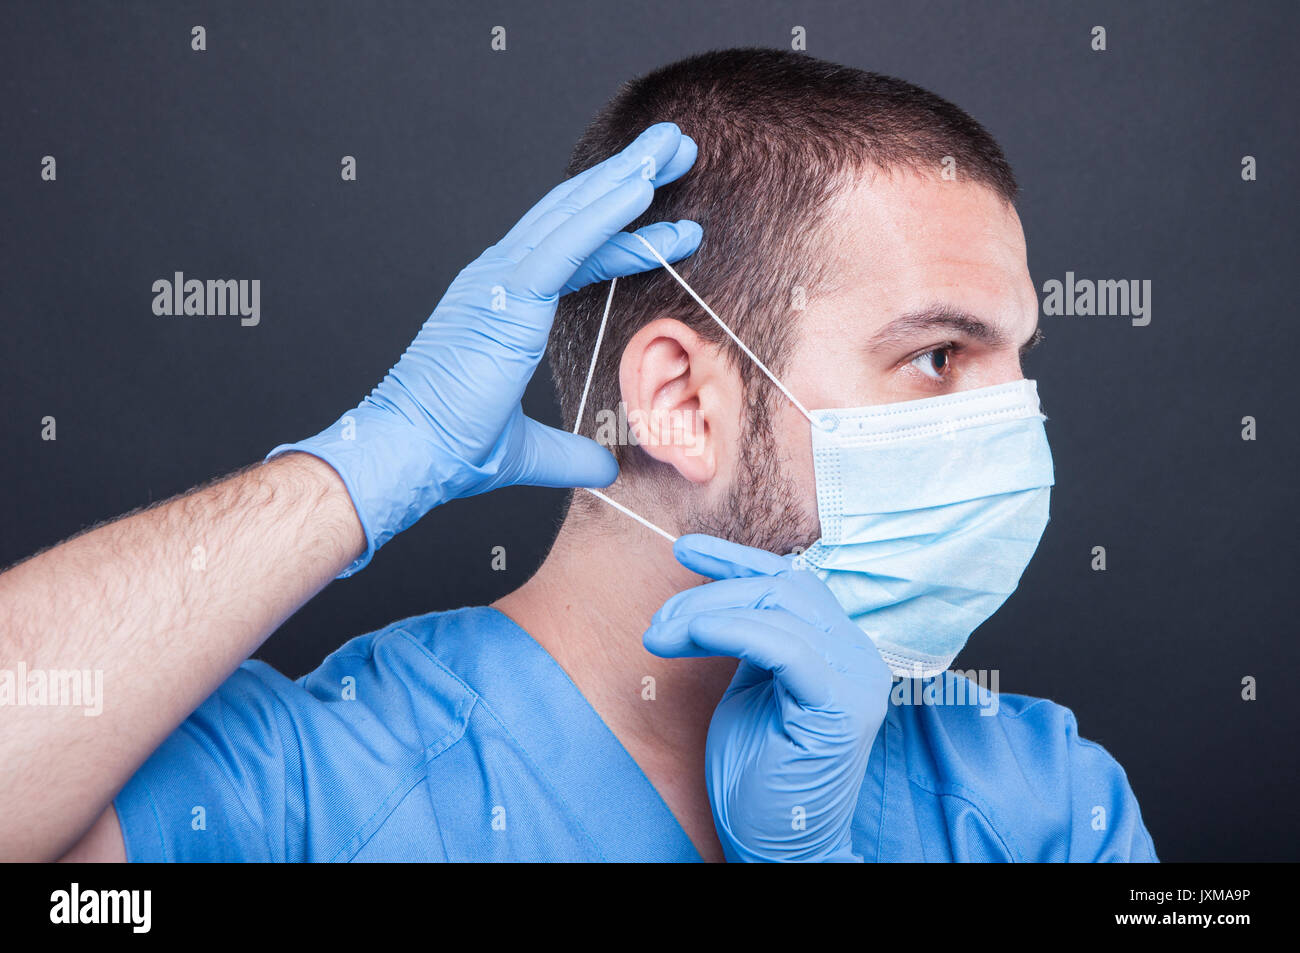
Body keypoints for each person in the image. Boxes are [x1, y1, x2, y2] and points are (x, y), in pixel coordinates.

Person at [0, 48, 1156, 862]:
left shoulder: (1042, 791)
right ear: (680, 400)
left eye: (1020, 359)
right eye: (940, 356)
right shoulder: (310, 786)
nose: (1020, 424)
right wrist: (366, 462)